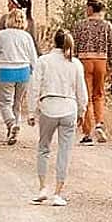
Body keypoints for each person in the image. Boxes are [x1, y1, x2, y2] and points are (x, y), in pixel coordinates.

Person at [27, 29, 88, 207]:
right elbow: (81, 90)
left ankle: (42, 187)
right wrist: (82, 111)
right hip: (69, 107)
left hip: (48, 107)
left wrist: (31, 111)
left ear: (54, 42)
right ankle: (58, 193)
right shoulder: (75, 63)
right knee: (64, 151)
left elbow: (34, 87)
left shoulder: (43, 61)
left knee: (43, 148)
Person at [72, 0, 112, 145]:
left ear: (91, 9)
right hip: (101, 61)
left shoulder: (80, 25)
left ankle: (87, 133)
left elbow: (74, 44)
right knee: (99, 95)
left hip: (84, 61)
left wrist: (72, 62)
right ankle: (99, 123)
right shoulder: (107, 25)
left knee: (86, 97)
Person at [0, 9, 39, 145]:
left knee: (4, 103)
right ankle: (13, 130)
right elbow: (33, 57)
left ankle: (11, 124)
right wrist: (35, 73)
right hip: (23, 71)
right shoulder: (26, 36)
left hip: (6, 71)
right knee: (17, 104)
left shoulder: (2, 35)